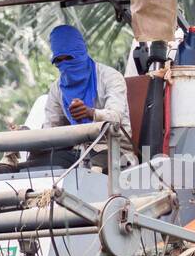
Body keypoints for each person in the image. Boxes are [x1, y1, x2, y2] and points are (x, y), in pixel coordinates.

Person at [43, 24, 134, 162]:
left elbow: (116, 117)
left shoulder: (110, 77)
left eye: (69, 58)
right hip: (79, 152)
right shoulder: (57, 88)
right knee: (38, 166)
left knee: (96, 165)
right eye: (58, 61)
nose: (65, 65)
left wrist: (90, 113)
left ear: (81, 52)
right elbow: (51, 128)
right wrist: (25, 133)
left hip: (114, 149)